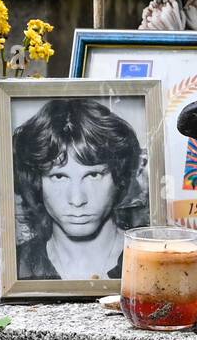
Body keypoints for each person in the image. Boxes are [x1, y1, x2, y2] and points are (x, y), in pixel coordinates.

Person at [13, 98, 147, 280]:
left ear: (120, 177)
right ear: (37, 183)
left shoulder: (151, 260)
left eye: (93, 175)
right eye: (59, 176)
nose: (77, 199)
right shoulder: (16, 266)